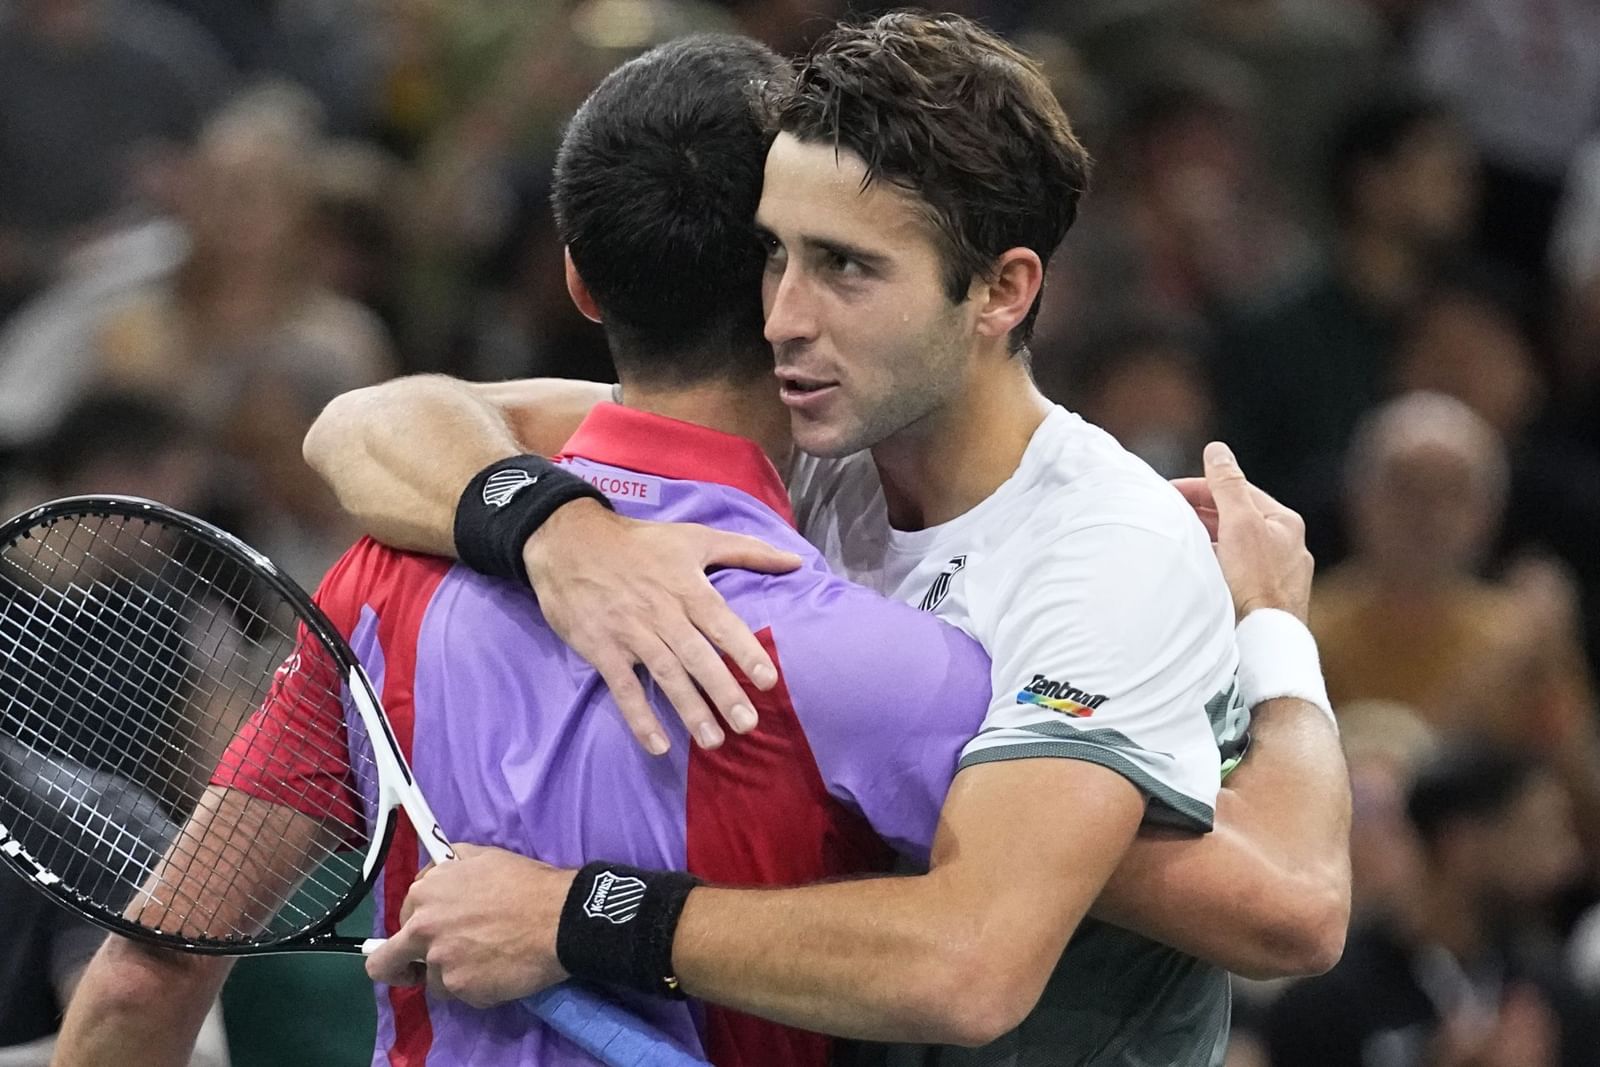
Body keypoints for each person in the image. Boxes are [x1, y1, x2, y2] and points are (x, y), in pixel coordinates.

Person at [58, 32, 1334, 1067]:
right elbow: (377, 416)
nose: (791, 310)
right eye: (779, 260)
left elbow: (1213, 919)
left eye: (841, 267)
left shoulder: (1093, 562)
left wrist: (572, 911)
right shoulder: (874, 578)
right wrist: (553, 530)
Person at [1265, 744, 1599, 1067]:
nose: (1568, 863)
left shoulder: (1556, 1000)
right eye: (1538, 834)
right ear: (1460, 843)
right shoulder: (1327, 1004)